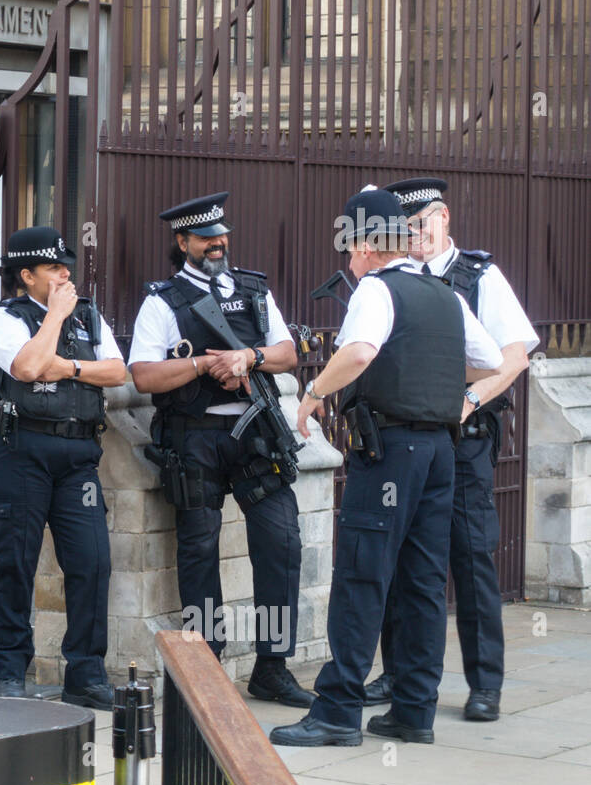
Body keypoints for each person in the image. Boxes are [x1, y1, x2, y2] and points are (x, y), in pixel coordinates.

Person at [270, 187, 503, 747]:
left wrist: (314, 394)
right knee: (423, 582)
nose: (348, 261)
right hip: (441, 454)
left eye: (351, 249)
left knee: (361, 575)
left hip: (391, 453)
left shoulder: (377, 289)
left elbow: (359, 352)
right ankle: (413, 712)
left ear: (371, 245)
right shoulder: (446, 295)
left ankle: (336, 713)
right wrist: (433, 383)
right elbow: (490, 361)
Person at [362, 178, 539, 722]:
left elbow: (513, 358)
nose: (415, 236)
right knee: (400, 558)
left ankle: (485, 684)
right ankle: (399, 674)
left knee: (470, 560)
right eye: (405, 228)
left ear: (443, 218)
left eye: (423, 224)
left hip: (463, 442)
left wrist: (466, 397)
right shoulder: (393, 279)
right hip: (407, 443)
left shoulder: (478, 276)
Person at [129, 191, 313, 707]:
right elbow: (143, 376)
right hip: (196, 438)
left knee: (280, 546)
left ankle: (272, 667)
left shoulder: (253, 289)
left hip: (257, 435)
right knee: (199, 551)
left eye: (221, 235)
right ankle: (205, 667)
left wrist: (246, 357)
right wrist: (202, 366)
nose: (217, 244)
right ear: (183, 241)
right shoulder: (162, 300)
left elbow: (286, 353)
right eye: (205, 238)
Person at [0, 226, 127, 709]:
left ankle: (85, 673)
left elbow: (117, 371)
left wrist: (65, 366)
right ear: (27, 275)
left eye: (67, 265)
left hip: (78, 456)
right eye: (53, 268)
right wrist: (55, 319)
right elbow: (25, 368)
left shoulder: (89, 315)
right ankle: (9, 671)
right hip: (21, 451)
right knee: (14, 565)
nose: (66, 274)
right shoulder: (8, 317)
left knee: (92, 562)